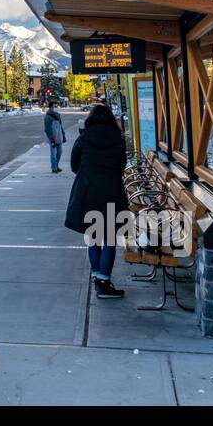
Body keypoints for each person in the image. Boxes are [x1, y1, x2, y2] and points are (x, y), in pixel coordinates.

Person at [64, 103, 130, 298]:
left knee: (93, 238)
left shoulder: (84, 138)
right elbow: (121, 165)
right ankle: (104, 281)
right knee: (110, 239)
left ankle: (98, 279)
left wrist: (87, 174)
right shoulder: (117, 139)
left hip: (88, 192)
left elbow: (74, 164)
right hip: (111, 192)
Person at [43, 100, 65, 173]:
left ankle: (56, 165)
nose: (57, 107)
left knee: (59, 152)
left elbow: (61, 126)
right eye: (55, 106)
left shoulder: (57, 116)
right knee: (53, 153)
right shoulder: (48, 117)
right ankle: (54, 168)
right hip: (52, 138)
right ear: (51, 107)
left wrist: (63, 135)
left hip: (59, 137)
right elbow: (47, 129)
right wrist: (52, 139)